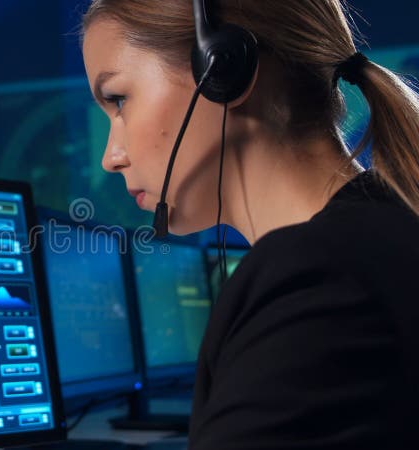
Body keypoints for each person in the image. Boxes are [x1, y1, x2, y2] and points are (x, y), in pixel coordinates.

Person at [81, 1, 419, 449]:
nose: (111, 157)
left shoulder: (317, 285)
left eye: (119, 100)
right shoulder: (378, 231)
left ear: (223, 68)